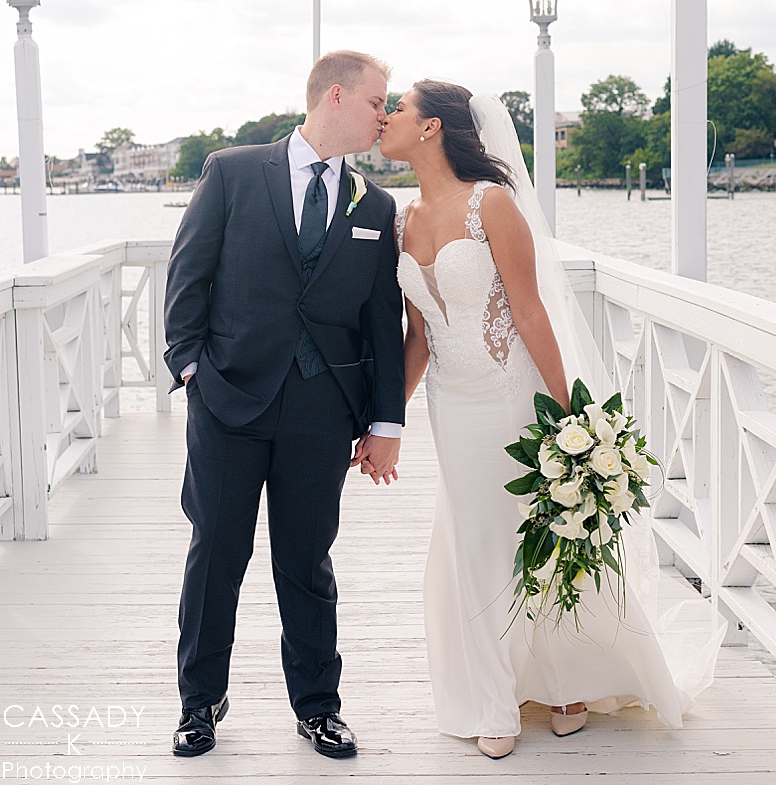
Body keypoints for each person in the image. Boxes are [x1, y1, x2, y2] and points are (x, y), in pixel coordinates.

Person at [379, 81, 722, 760]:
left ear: (431, 128)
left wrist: (575, 421)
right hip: (453, 403)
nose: (385, 116)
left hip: (514, 396)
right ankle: (493, 697)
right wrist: (382, 420)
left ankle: (569, 680)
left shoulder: (491, 203)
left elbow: (531, 312)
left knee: (543, 538)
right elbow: (417, 337)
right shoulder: (403, 217)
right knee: (477, 545)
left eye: (399, 107)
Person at [164, 50, 406, 760]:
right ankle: (198, 701)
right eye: (376, 103)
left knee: (306, 561)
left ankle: (318, 706)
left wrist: (384, 421)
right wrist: (189, 373)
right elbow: (188, 276)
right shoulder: (233, 171)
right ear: (336, 96)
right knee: (216, 553)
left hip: (319, 412)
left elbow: (380, 324)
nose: (383, 117)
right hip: (227, 401)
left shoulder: (376, 203)